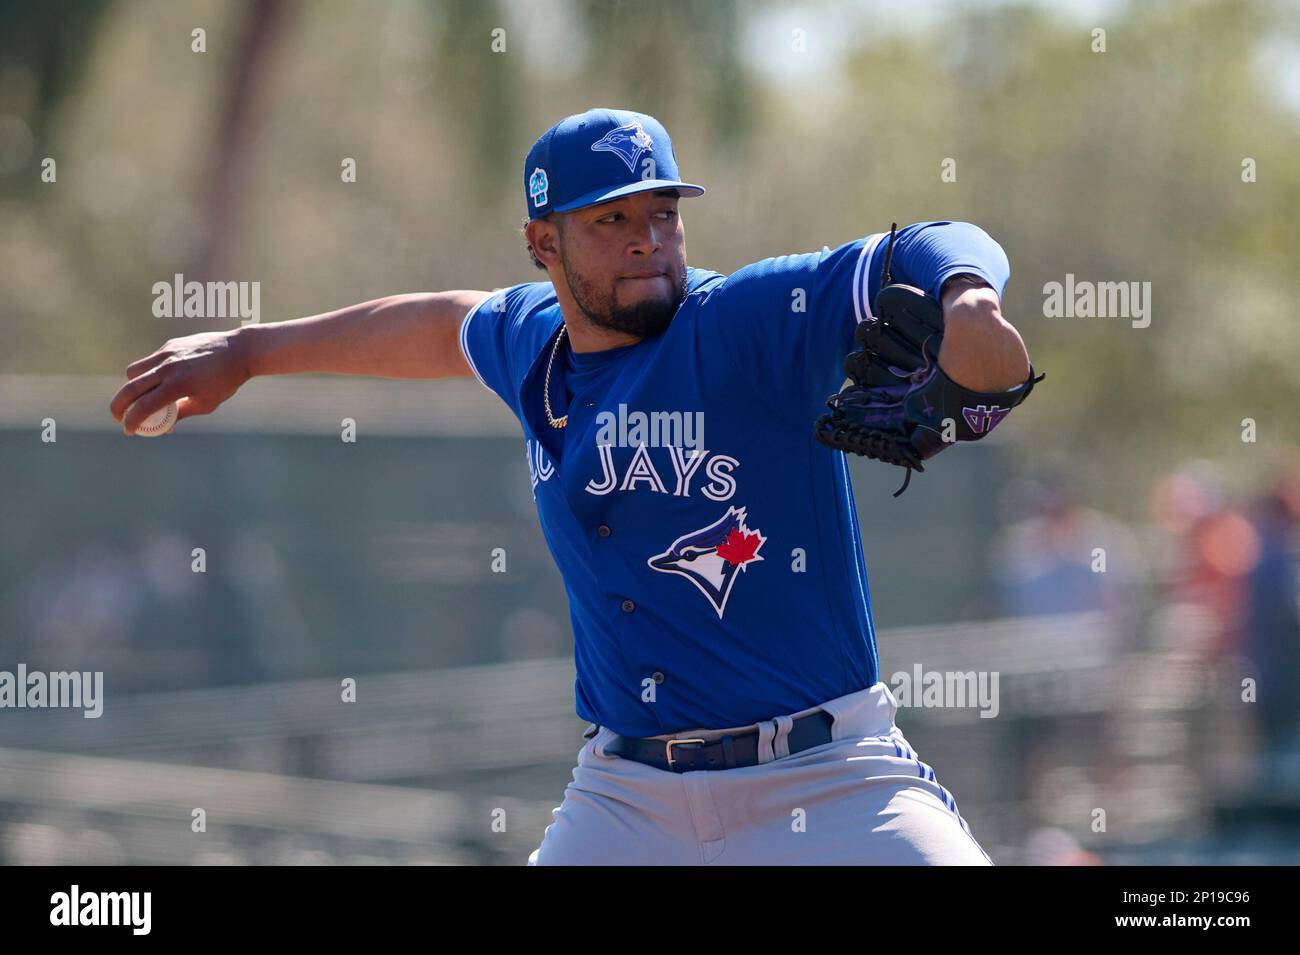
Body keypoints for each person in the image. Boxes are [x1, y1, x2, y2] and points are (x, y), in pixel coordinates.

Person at [111, 108, 1033, 865]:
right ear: (541, 244)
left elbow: (940, 240)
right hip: (628, 796)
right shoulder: (532, 346)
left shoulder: (745, 323)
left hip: (827, 778)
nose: (648, 242)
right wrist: (250, 350)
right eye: (612, 220)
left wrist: (965, 298)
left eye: (663, 214)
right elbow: (441, 326)